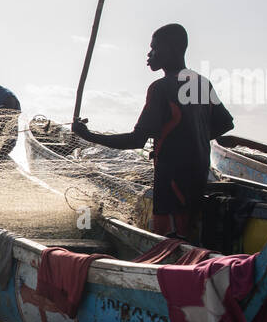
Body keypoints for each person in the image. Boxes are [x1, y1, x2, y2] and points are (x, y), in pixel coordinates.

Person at [72, 23, 234, 240]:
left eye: (154, 48)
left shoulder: (161, 88)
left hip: (172, 186)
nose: (149, 54)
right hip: (196, 179)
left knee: (170, 242)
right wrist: (186, 141)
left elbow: (136, 140)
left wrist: (88, 135)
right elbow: (225, 123)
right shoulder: (202, 83)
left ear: (172, 49)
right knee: (190, 234)